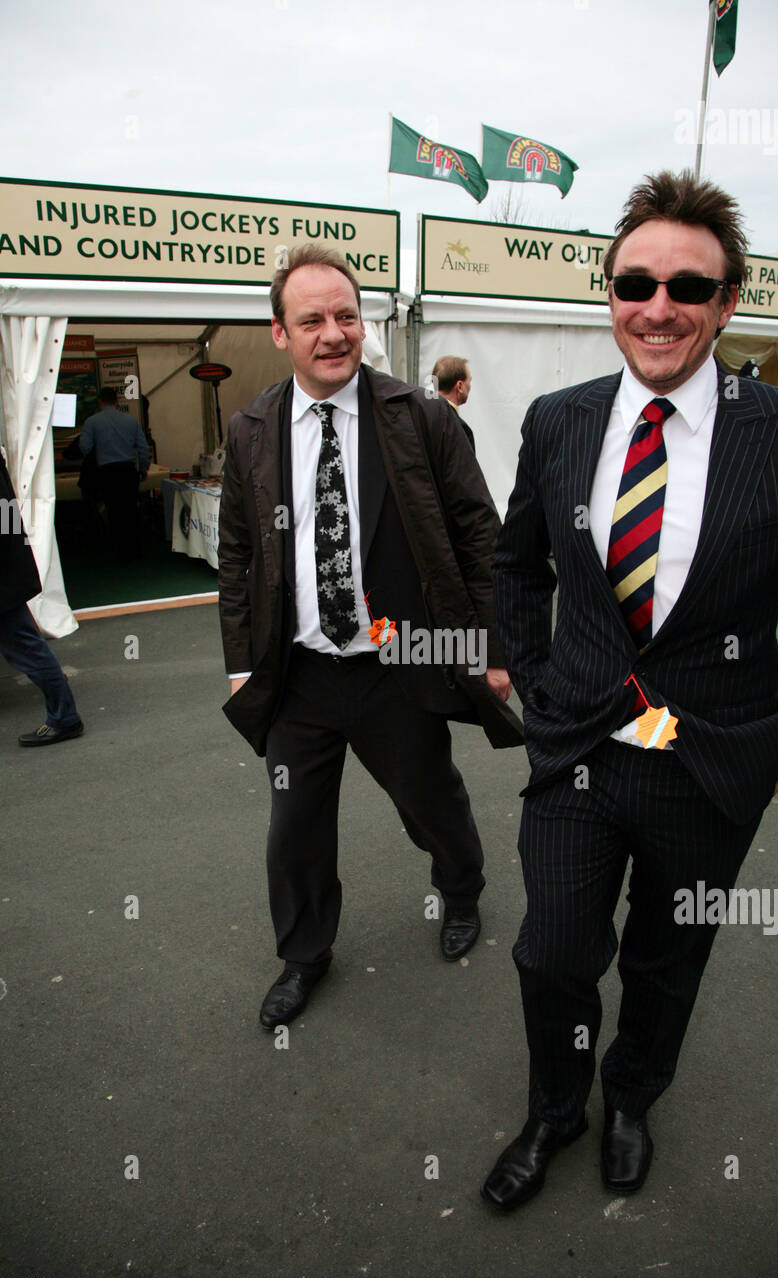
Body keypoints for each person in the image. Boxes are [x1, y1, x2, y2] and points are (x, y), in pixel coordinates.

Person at [483, 169, 778, 1212]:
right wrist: (529, 672)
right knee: (550, 951)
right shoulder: (558, 421)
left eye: (687, 289)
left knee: (665, 957)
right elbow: (513, 563)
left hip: (711, 760)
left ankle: (629, 1099)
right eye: (634, 282)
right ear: (608, 292)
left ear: (727, 301)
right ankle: (555, 1106)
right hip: (577, 748)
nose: (657, 307)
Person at [217, 244, 520, 1032]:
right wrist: (240, 662)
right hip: (298, 674)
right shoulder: (252, 430)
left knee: (430, 800)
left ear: (364, 323)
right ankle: (304, 954)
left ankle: (461, 889)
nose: (333, 332)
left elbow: (480, 535)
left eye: (346, 315)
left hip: (401, 663)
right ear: (280, 333)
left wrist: (490, 648)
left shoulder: (420, 418)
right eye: (311, 318)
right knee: (295, 828)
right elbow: (239, 555)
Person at [0, 446, 84, 746]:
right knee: (23, 645)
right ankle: (64, 716)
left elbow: (6, 517)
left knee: (24, 646)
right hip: (7, 570)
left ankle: (65, 717)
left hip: (5, 575)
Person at [79, 387, 150, 559]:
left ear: (100, 401)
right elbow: (143, 448)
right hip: (128, 471)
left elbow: (85, 447)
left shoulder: (92, 422)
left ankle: (120, 551)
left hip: (107, 472)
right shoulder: (131, 421)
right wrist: (143, 469)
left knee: (113, 510)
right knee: (131, 509)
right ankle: (136, 549)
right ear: (117, 401)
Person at [432, 355, 475, 450]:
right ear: (459, 386)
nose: (470, 386)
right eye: (469, 381)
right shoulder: (460, 430)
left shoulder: (417, 418)